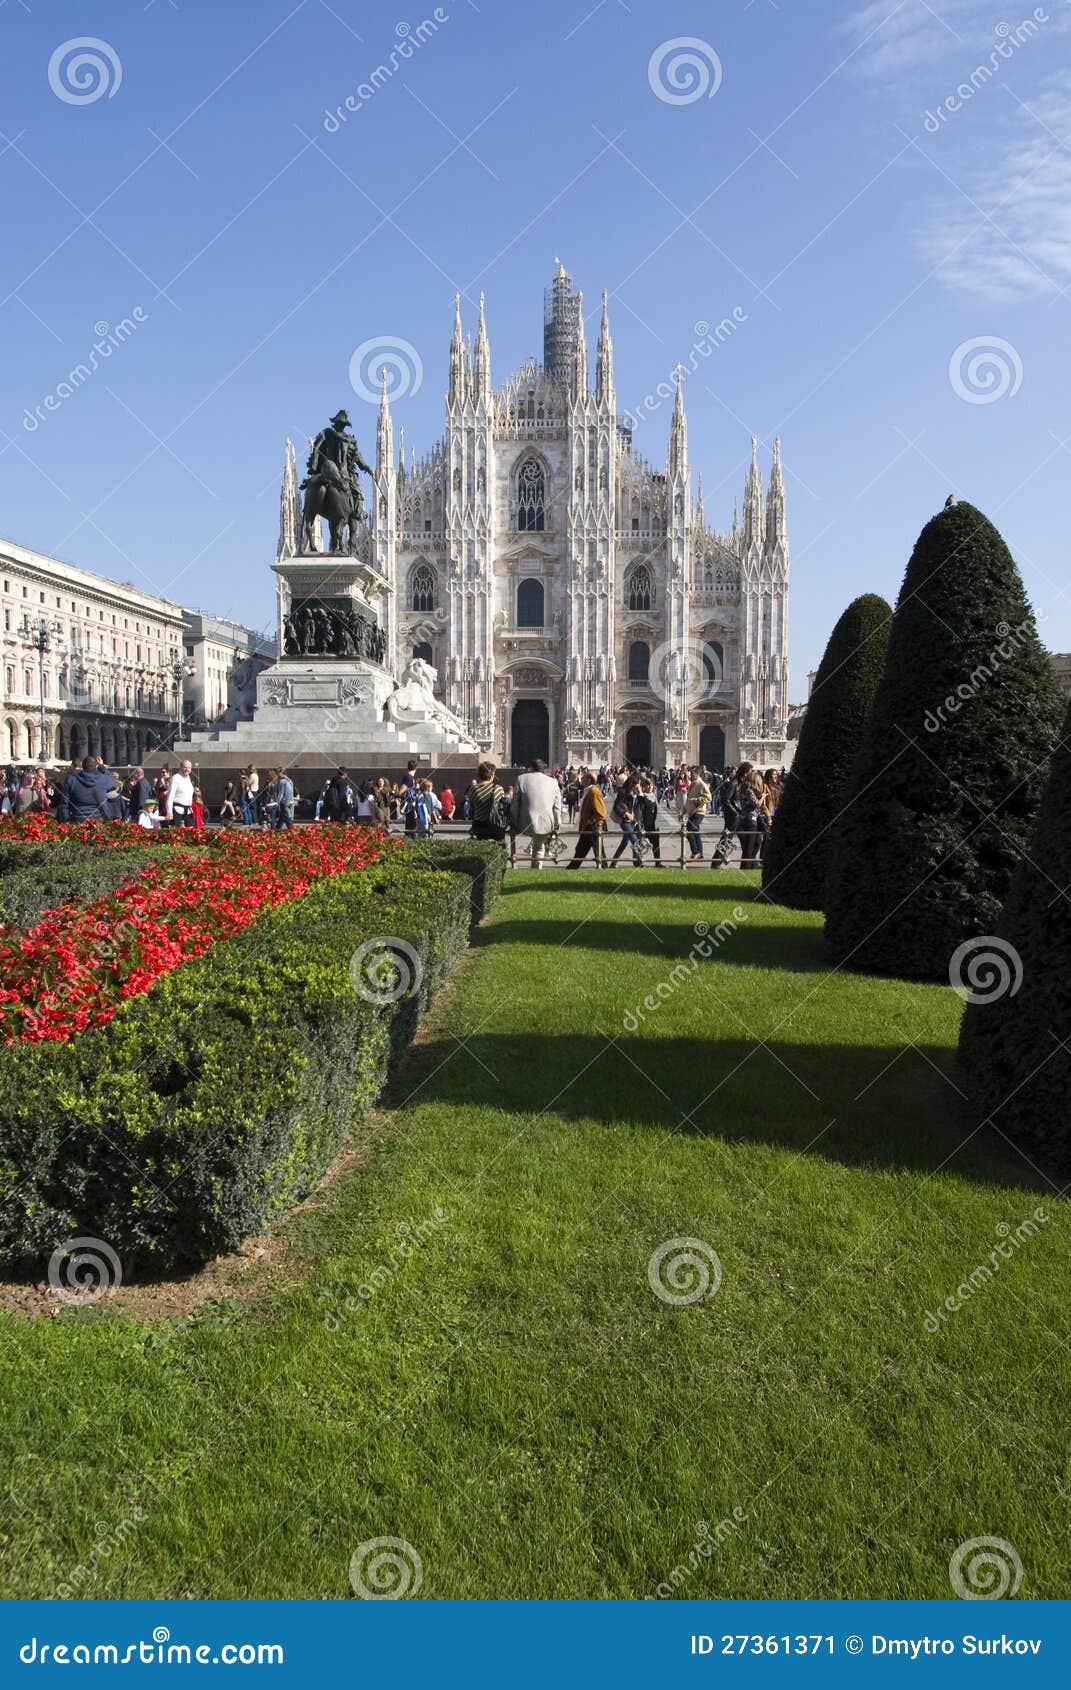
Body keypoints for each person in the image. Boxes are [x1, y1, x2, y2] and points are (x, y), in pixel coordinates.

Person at [511, 758, 563, 870]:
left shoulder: (521, 779)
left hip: (525, 823)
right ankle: (536, 869)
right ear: (544, 769)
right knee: (539, 846)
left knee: (527, 844)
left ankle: (514, 865)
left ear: (531, 768)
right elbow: (557, 806)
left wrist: (514, 821)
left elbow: (515, 803)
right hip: (546, 823)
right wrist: (557, 822)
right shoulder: (553, 781)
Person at [567, 771, 608, 868]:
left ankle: (571, 869)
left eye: (584, 777)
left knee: (582, 851)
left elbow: (601, 811)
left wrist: (596, 824)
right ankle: (605, 868)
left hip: (592, 827)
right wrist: (580, 808)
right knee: (591, 851)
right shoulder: (587, 790)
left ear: (589, 780)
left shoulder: (594, 791)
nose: (581, 779)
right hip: (588, 826)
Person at [62, 757, 117, 821]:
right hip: (97, 819)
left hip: (77, 819)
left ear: (82, 766)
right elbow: (112, 780)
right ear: (95, 766)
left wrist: (65, 820)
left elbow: (64, 803)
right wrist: (101, 766)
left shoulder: (72, 780)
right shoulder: (103, 779)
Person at [468, 761, 508, 842]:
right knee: (500, 844)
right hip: (496, 825)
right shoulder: (498, 788)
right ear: (491, 774)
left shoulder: (473, 789)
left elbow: (471, 805)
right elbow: (503, 805)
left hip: (478, 826)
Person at [609, 777, 645, 868]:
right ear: (633, 784)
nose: (639, 786)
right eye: (638, 783)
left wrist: (640, 793)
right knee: (635, 840)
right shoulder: (623, 792)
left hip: (635, 820)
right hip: (625, 821)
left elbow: (642, 805)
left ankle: (614, 863)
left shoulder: (637, 793)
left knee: (624, 843)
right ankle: (639, 862)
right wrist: (625, 814)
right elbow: (617, 806)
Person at [683, 769, 711, 859]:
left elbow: (708, 797)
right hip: (692, 811)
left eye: (692, 774)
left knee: (689, 829)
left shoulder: (701, 784)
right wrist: (683, 812)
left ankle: (695, 852)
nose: (690, 776)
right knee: (695, 832)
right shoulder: (693, 784)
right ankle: (700, 853)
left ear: (697, 774)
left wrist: (698, 800)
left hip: (699, 812)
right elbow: (688, 800)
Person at [635, 777, 662, 865]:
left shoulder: (654, 796)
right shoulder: (641, 797)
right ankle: (638, 862)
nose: (649, 787)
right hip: (644, 824)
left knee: (656, 843)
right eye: (647, 785)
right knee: (640, 844)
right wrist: (639, 823)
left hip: (653, 824)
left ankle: (657, 862)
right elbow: (639, 810)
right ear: (644, 786)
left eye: (650, 785)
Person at [167, 760, 196, 827]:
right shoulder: (175, 778)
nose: (187, 769)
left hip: (188, 811)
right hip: (177, 810)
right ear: (180, 767)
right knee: (175, 834)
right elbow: (170, 796)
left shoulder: (188, 778)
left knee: (191, 833)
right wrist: (169, 811)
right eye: (185, 767)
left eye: (189, 768)